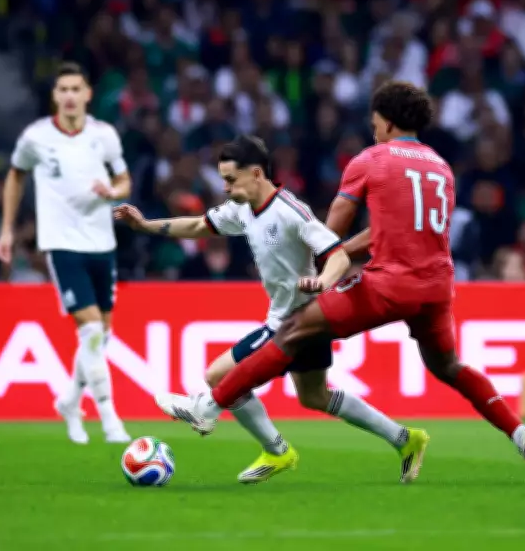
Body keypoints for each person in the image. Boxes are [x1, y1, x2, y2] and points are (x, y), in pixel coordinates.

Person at [156, 82, 525, 485]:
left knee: (293, 328)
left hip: (389, 284)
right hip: (436, 287)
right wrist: (345, 249)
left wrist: (324, 259)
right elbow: (407, 230)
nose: (372, 129)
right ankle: (521, 435)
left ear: (387, 122)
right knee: (448, 366)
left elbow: (333, 228)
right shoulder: (440, 167)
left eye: (374, 122)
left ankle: (209, 406)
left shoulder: (370, 159)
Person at [119, 135, 429, 483]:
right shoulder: (241, 208)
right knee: (315, 396)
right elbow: (195, 225)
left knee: (218, 376)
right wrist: (146, 226)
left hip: (301, 318)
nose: (225, 187)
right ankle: (406, 440)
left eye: (231, 179)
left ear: (256, 173)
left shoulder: (290, 212)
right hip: (293, 317)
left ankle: (258, 439)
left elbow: (338, 254)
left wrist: (324, 282)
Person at [0, 62, 131, 445]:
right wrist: (7, 228)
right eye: (63, 89)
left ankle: (70, 400)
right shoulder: (36, 137)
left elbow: (123, 178)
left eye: (76, 88)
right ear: (55, 96)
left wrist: (114, 192)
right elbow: (15, 175)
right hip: (62, 244)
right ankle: (110, 419)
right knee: (89, 329)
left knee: (101, 336)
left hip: (102, 243)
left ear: (88, 94)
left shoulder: (104, 136)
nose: (70, 95)